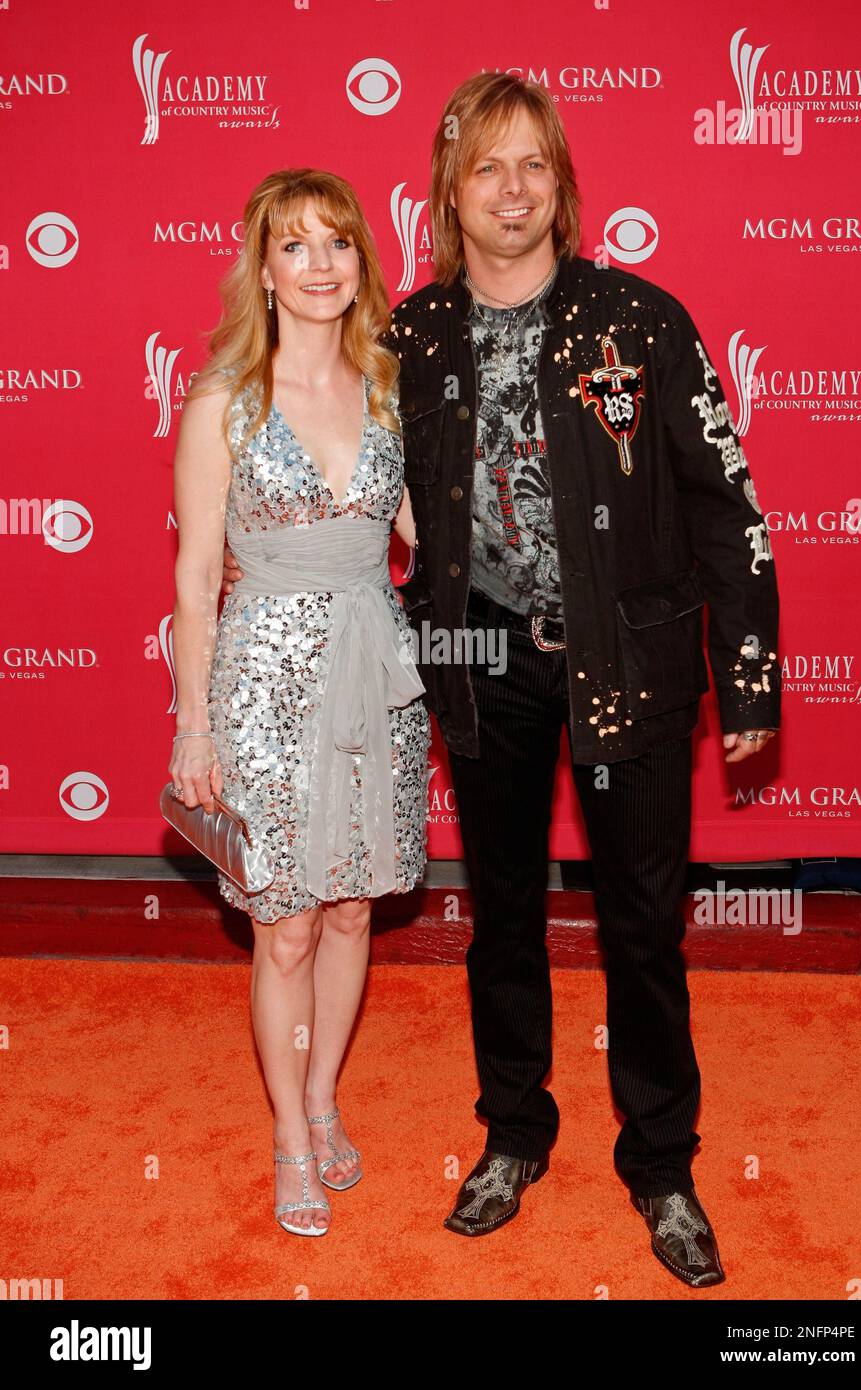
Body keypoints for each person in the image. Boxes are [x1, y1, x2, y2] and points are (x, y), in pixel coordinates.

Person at [223, 75, 782, 1287]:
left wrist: (743, 682)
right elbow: (337, 468)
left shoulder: (642, 320)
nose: (512, 188)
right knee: (503, 923)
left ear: (561, 188)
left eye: (534, 165)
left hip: (627, 662)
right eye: (488, 167)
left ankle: (661, 1160)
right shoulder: (408, 340)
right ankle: (513, 1132)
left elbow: (722, 505)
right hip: (476, 663)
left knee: (642, 927)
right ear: (450, 194)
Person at [169, 169, 430, 1237]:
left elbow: (432, 534)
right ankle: (287, 1134)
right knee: (283, 927)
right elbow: (192, 578)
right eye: (295, 246)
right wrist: (195, 726)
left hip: (375, 681)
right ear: (264, 271)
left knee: (357, 906)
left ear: (361, 265)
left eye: (337, 244)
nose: (320, 265)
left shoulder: (389, 391)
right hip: (263, 684)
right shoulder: (222, 402)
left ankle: (324, 1098)